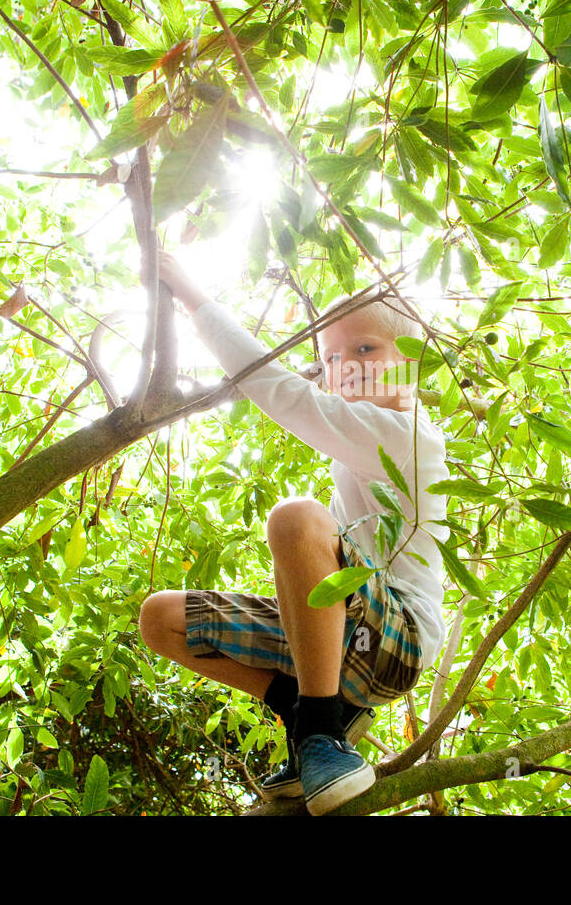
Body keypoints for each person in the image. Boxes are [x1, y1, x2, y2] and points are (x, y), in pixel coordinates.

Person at [138, 250, 450, 815]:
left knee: (297, 519)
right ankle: (309, 713)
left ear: (412, 358)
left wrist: (188, 290)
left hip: (398, 641)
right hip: (351, 639)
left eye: (365, 349)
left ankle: (321, 734)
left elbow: (280, 392)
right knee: (161, 619)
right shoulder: (358, 443)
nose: (347, 368)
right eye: (331, 358)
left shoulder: (408, 436)